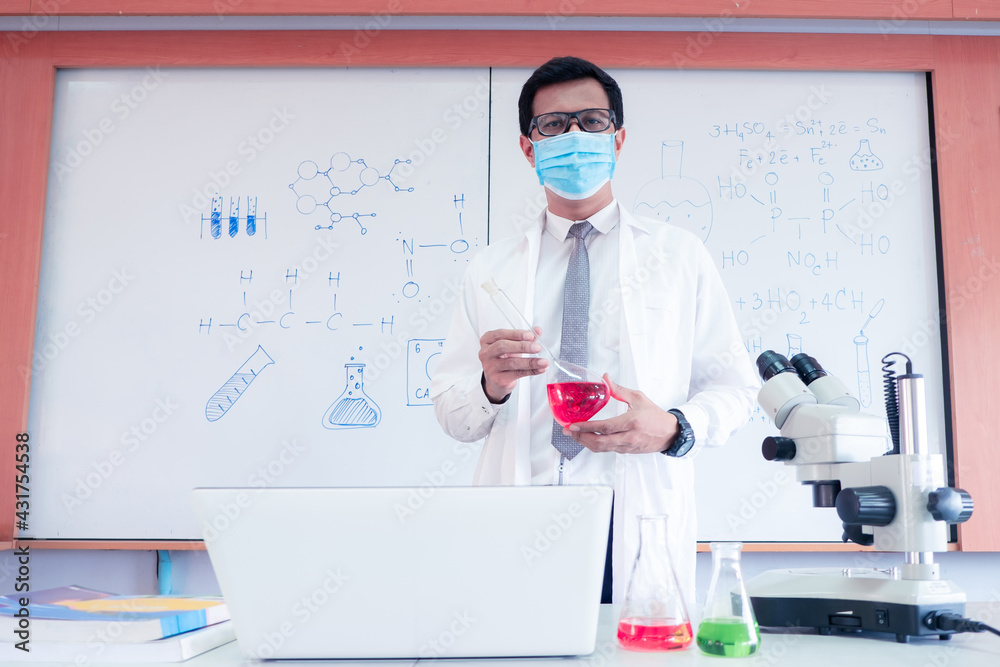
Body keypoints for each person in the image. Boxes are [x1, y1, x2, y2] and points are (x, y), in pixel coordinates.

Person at [430, 56, 757, 607]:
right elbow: (453, 415)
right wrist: (491, 386)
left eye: (592, 121)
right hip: (520, 518)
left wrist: (675, 428)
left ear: (618, 139)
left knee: (634, 644)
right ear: (529, 148)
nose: (575, 136)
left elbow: (736, 388)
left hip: (632, 516)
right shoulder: (490, 270)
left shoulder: (678, 255)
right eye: (554, 125)